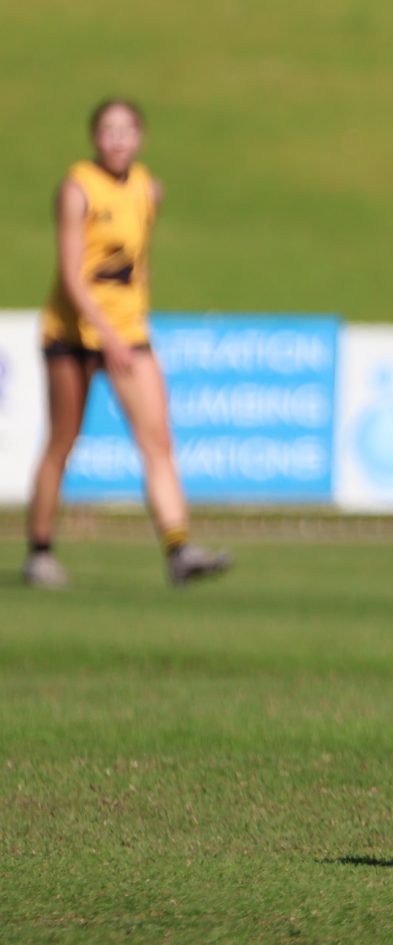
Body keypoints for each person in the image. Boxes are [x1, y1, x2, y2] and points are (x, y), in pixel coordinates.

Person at [24, 99, 231, 589]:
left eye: (127, 130)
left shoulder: (146, 188)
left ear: (139, 137)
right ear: (95, 138)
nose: (118, 140)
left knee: (157, 439)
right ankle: (40, 550)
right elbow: (73, 278)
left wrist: (130, 325)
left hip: (128, 334)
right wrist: (107, 335)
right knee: (62, 442)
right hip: (73, 334)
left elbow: (138, 263)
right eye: (108, 130)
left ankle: (179, 549)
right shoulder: (78, 189)